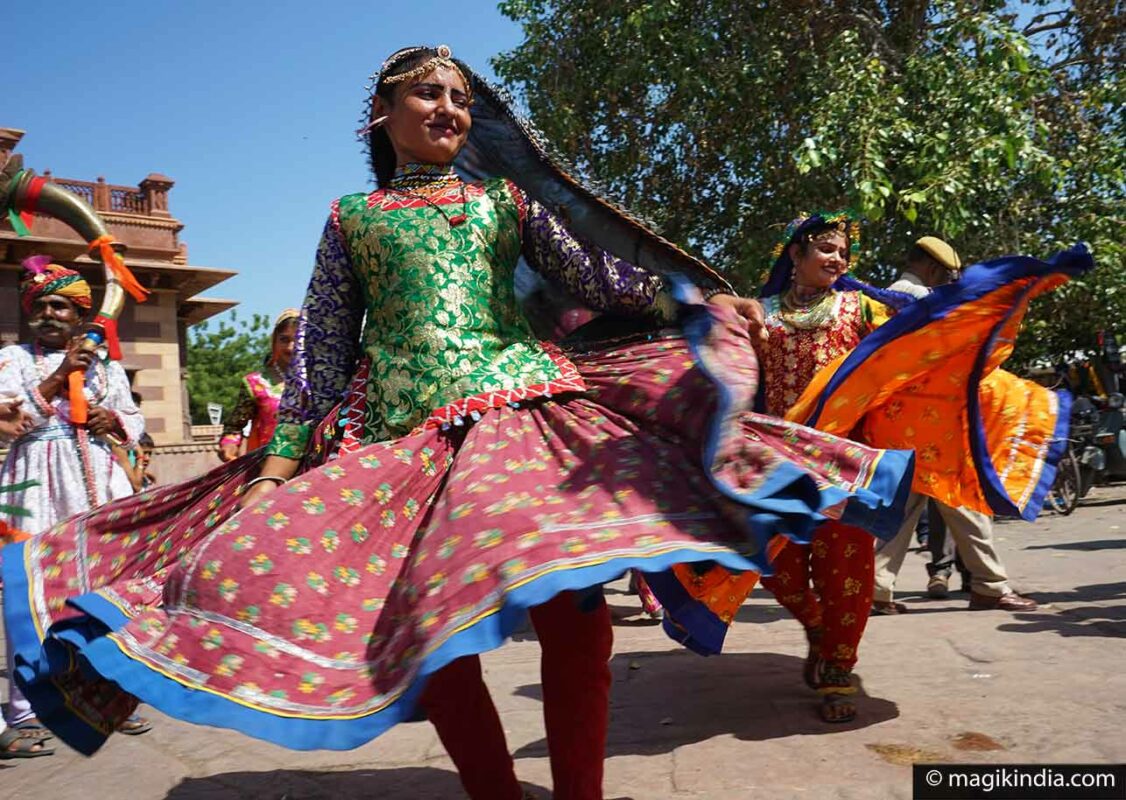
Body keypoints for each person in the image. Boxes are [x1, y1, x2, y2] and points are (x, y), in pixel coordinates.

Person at [2, 47, 912, 798]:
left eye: (461, 99)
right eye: (428, 94)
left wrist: (698, 299)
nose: (448, 108)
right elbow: (323, 349)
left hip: (526, 416)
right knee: (429, 636)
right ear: (383, 114)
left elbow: (600, 280)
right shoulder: (352, 218)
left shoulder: (502, 203)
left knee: (574, 617)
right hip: (402, 440)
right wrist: (275, 469)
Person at [660, 214, 1084, 725]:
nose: (837, 259)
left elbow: (910, 352)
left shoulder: (860, 307)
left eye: (842, 252)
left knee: (847, 570)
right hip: (777, 462)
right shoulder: (760, 313)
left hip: (848, 461)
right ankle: (818, 627)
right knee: (775, 568)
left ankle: (839, 668)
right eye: (826, 248)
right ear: (795, 254)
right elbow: (720, 363)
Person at [0, 255, 150, 738]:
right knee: (28, 593)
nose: (49, 314)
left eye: (60, 306)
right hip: (33, 485)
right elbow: (10, 421)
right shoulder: (12, 360)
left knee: (102, 590)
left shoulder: (105, 367)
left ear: (80, 315)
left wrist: (114, 421)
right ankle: (25, 710)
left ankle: (110, 698)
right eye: (40, 306)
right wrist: (60, 375)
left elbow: (133, 421)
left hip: (98, 484)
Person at [873, 237, 1037, 614]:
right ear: (933, 268)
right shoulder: (923, 300)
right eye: (949, 277)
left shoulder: (882, 299)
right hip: (932, 421)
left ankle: (877, 589)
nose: (952, 284)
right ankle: (990, 586)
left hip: (898, 420)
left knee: (904, 507)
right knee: (963, 496)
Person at [218, 310, 299, 461]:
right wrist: (229, 446)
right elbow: (234, 428)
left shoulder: (321, 382)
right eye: (284, 340)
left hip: (316, 465)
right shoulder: (256, 383)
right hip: (268, 465)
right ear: (274, 342)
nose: (290, 347)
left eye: (298, 339)